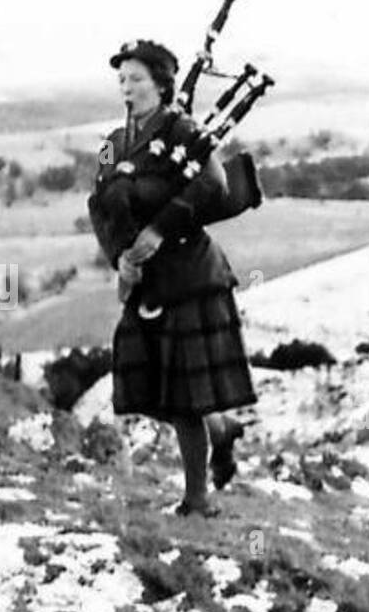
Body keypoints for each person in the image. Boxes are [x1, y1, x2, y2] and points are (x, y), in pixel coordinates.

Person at [87, 39, 256, 517]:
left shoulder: (186, 132)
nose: (127, 88)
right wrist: (119, 255)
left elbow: (214, 185)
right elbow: (98, 203)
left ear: (161, 84)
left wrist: (158, 233)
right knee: (146, 389)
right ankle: (219, 429)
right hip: (143, 279)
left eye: (137, 79)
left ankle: (197, 500)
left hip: (190, 275)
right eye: (122, 79)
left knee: (182, 400)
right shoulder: (112, 144)